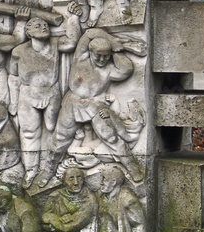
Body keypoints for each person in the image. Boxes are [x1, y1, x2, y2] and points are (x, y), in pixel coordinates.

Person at [45, 28, 144, 184]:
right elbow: (89, 33)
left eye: (106, 56)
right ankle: (48, 171)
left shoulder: (109, 70)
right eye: (98, 55)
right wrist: (113, 40)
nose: (102, 59)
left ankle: (132, 167)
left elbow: (127, 69)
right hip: (72, 102)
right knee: (59, 139)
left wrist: (116, 51)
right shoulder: (80, 58)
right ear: (90, 52)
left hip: (96, 104)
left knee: (111, 137)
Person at [7, 7, 81, 185]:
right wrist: (13, 101)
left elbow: (72, 42)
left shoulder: (55, 43)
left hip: (51, 92)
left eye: (45, 25)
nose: (43, 27)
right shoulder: (19, 51)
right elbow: (13, 77)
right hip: (28, 94)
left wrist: (74, 18)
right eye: (37, 25)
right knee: (29, 133)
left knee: (53, 128)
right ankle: (31, 170)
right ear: (28, 32)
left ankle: (50, 168)